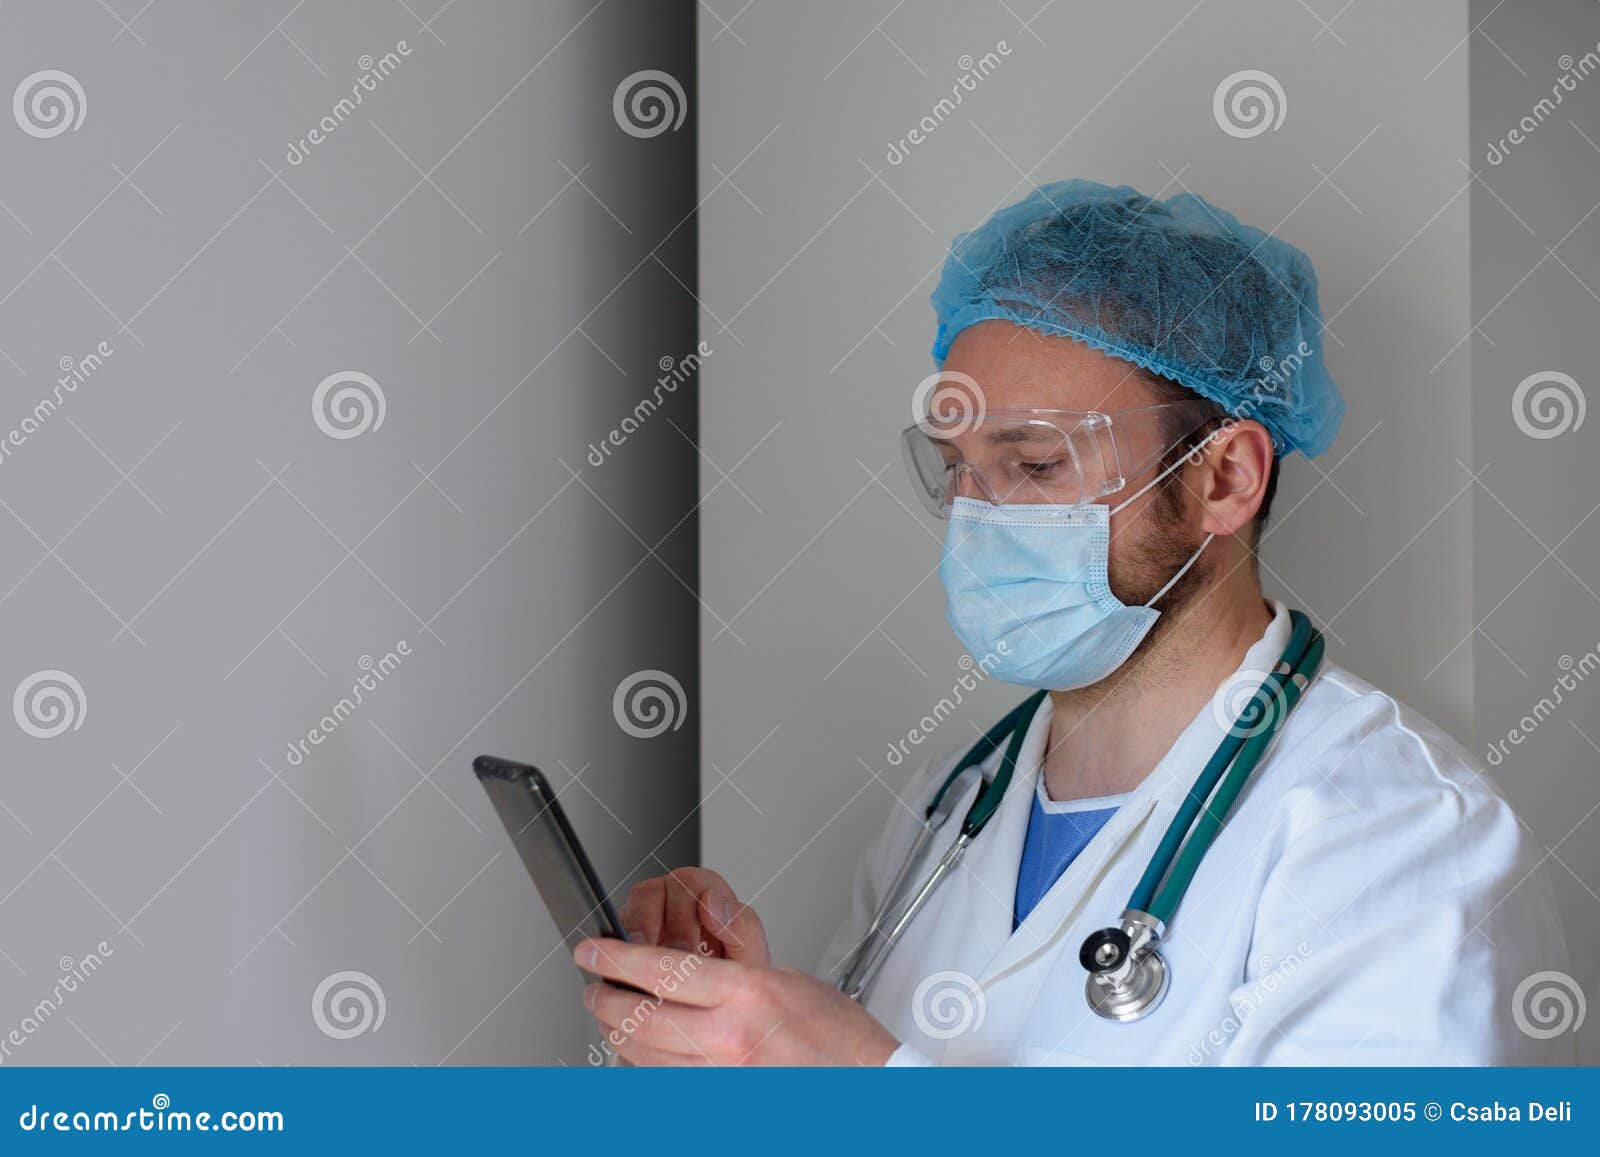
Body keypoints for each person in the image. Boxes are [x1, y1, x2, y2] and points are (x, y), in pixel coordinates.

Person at [573, 179, 1574, 1066]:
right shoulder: (952, 804)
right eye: (959, 469)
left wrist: (863, 1087)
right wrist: (742, 1043)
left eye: (1036, 464)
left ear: (1226, 478)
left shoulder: (1395, 835)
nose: (979, 517)